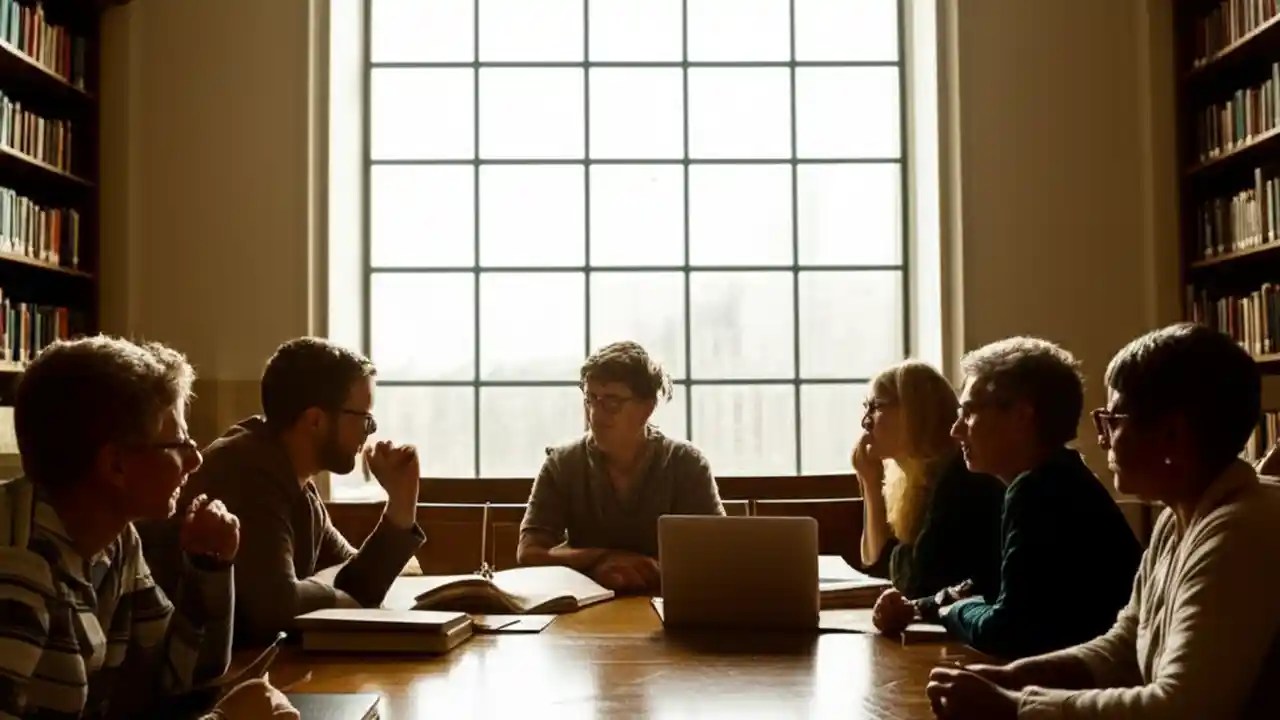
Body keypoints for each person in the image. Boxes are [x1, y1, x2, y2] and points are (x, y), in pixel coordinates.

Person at [926, 323, 1280, 719]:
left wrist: (1015, 707)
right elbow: (1123, 646)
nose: (1101, 438)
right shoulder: (1176, 519)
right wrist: (1014, 675)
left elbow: (1182, 707)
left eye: (1113, 420)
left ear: (1172, 435)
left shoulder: (1238, 533)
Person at [0, 336, 296, 719]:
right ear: (116, 466)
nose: (194, 461)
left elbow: (180, 677)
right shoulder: (17, 569)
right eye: (178, 443)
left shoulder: (116, 540)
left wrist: (210, 567)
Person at [140, 337, 425, 646]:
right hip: (189, 679)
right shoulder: (247, 469)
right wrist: (334, 591)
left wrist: (401, 503)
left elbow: (359, 586)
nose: (370, 431)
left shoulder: (298, 482)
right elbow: (277, 607)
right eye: (364, 418)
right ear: (315, 420)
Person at [925, 337, 1140, 659]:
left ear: (1021, 417)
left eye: (968, 412)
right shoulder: (1062, 476)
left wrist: (953, 611)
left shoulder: (1039, 491)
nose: (956, 430)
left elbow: (1007, 631)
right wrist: (934, 604)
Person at [517, 341, 725, 594]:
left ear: (647, 408)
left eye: (612, 402)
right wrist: (603, 558)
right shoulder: (562, 463)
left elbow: (714, 557)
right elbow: (529, 553)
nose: (595, 414)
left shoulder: (685, 464)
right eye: (590, 399)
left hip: (670, 605)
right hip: (583, 614)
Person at [853, 360, 1005, 634]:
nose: (866, 422)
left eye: (875, 407)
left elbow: (913, 585)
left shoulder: (958, 479)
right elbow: (874, 561)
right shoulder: (908, 480)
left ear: (914, 411)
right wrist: (870, 485)